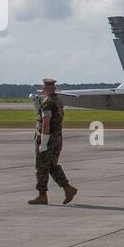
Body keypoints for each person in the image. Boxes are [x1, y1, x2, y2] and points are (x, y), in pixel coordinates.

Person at [29, 77, 77, 205]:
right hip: (57, 138)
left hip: (47, 138)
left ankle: (42, 195)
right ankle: (68, 189)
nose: (43, 89)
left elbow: (46, 123)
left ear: (49, 88)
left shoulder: (48, 102)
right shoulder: (57, 101)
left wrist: (43, 143)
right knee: (52, 166)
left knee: (41, 167)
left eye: (45, 87)